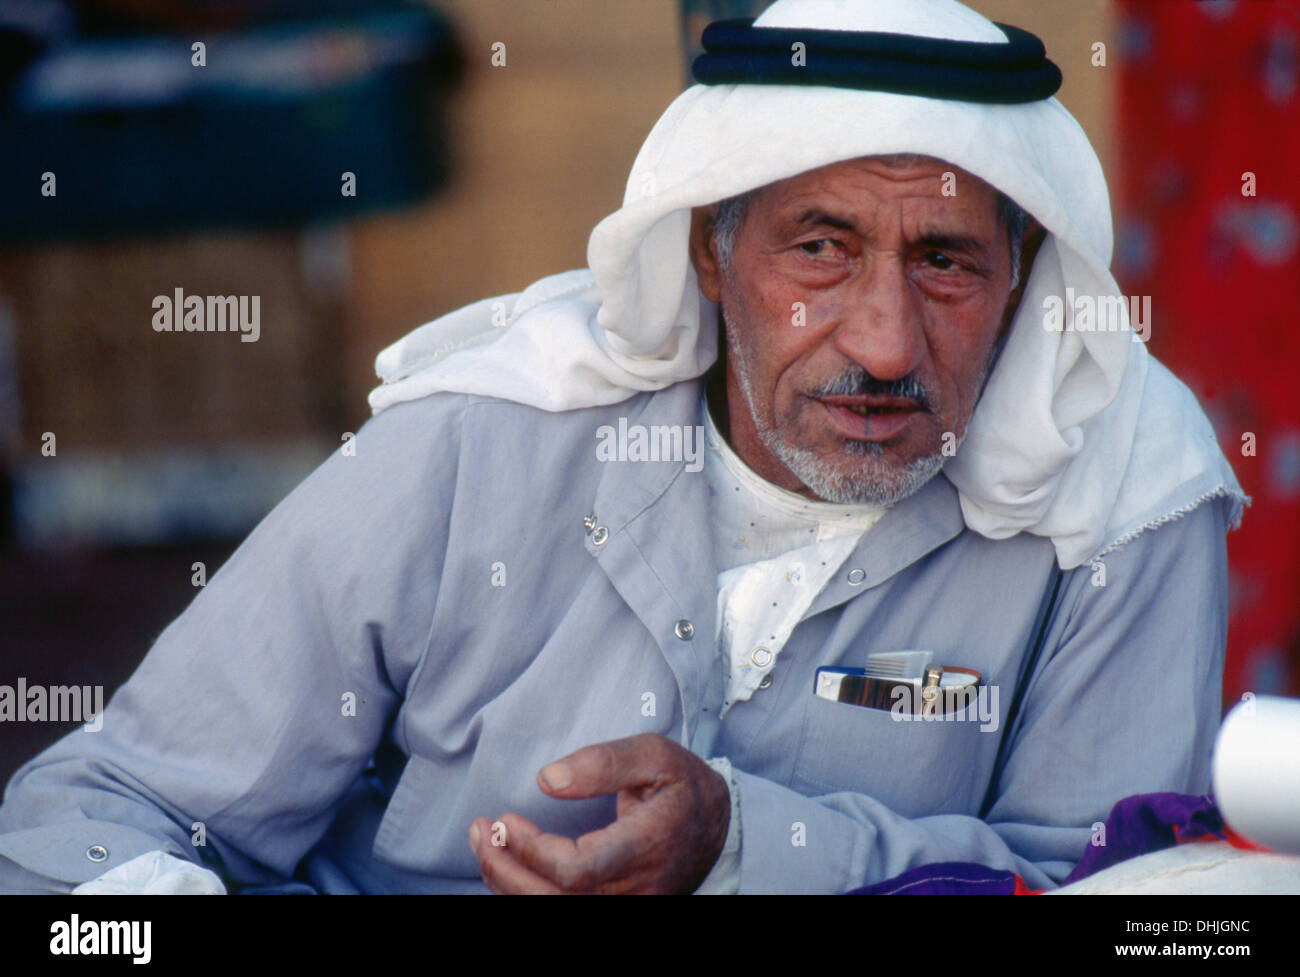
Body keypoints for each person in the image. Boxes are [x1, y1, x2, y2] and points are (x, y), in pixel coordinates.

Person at [0, 0, 1245, 895]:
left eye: (946, 262)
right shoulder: (480, 438)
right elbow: (86, 819)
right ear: (708, 253)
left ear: (1025, 279)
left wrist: (747, 848)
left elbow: (1129, 899)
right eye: (818, 248)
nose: (881, 340)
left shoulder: (1123, 497)